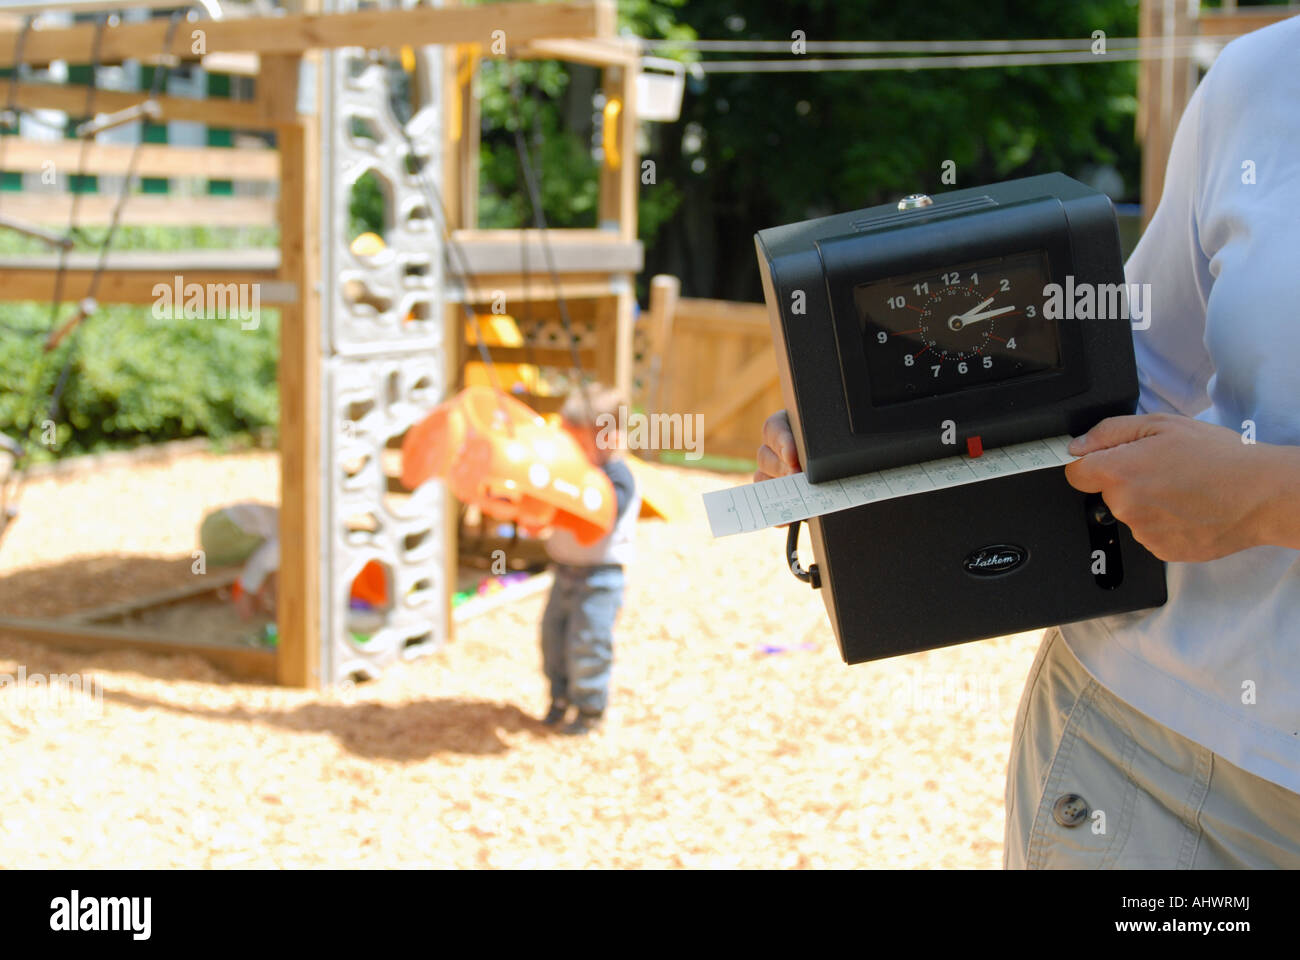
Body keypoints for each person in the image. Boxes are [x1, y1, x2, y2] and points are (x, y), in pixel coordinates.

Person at [756, 18, 1300, 868]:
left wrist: (1266, 495)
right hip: (1151, 757)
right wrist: (861, 417)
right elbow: (1135, 369)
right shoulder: (1265, 75)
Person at [539, 383, 640, 736]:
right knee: (553, 640)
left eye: (580, 445)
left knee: (588, 643)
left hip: (600, 579)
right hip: (563, 572)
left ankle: (589, 708)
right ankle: (559, 698)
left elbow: (600, 521)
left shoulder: (617, 478)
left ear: (609, 439)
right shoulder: (566, 471)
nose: (573, 453)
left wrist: (567, 500)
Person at [198, 502, 279, 620]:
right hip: (224, 529)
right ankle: (256, 603)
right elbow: (263, 561)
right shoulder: (292, 533)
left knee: (271, 566)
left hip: (214, 524)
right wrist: (247, 592)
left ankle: (259, 603)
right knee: (270, 565)